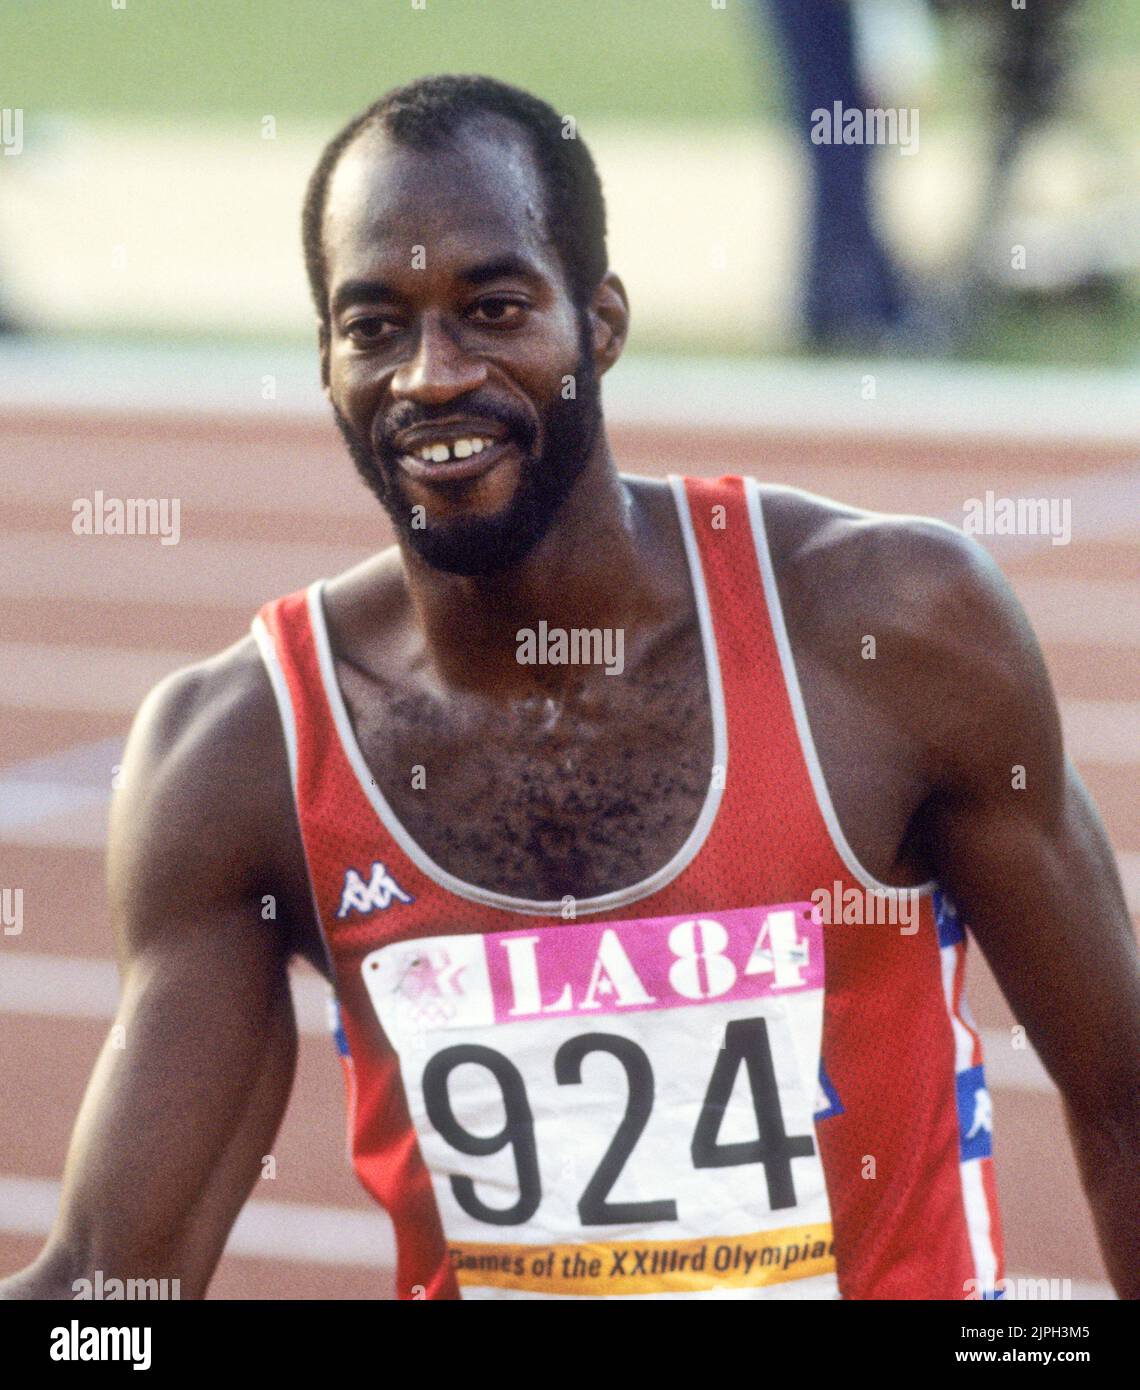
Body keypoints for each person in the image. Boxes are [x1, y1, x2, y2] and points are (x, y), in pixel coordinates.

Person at [2, 75, 1135, 1301]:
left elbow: (1124, 1100)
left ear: (600, 324)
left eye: (493, 308)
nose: (433, 374)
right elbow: (115, 1291)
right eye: (374, 324)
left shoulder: (889, 628)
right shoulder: (238, 754)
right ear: (325, 361)